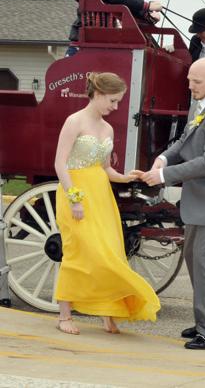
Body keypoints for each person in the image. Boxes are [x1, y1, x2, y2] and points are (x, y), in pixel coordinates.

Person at [140, 57, 205, 350]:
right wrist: (164, 157)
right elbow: (184, 142)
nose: (190, 85)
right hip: (200, 200)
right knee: (193, 260)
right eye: (189, 80)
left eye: (196, 81)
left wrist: (162, 175)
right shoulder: (201, 106)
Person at [54, 73, 160, 335]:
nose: (115, 107)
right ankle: (64, 315)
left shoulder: (107, 128)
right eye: (113, 100)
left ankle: (108, 311)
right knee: (77, 251)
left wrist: (126, 176)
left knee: (109, 252)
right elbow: (59, 164)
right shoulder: (74, 121)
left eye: (118, 101)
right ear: (98, 94)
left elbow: (105, 169)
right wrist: (74, 198)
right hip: (75, 192)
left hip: (102, 195)